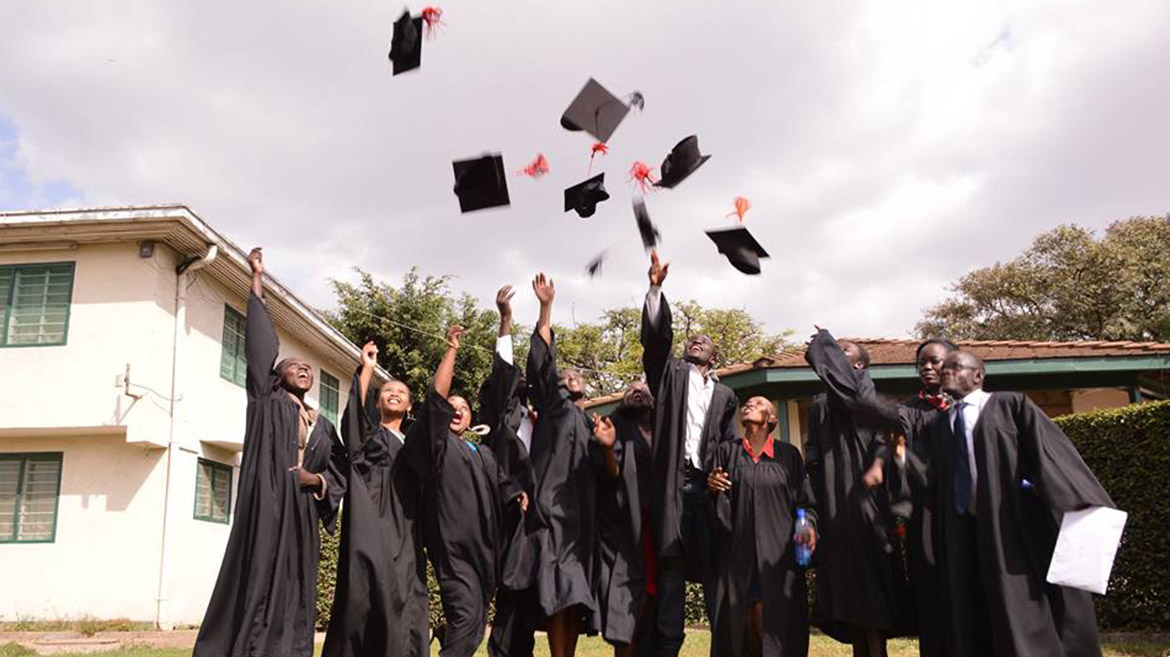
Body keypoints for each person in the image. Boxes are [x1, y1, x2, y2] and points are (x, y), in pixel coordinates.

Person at [900, 349, 1115, 657]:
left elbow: (1052, 459)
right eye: (944, 369)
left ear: (978, 375)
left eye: (955, 367)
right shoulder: (939, 425)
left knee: (1017, 603)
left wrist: (1079, 505)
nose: (946, 372)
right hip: (963, 533)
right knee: (969, 606)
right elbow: (924, 477)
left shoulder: (1010, 406)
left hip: (1009, 527)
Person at [194, 247, 344, 657]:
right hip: (268, 501)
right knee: (259, 571)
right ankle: (247, 647)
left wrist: (319, 482)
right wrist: (256, 279)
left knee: (298, 578)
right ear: (276, 375)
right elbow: (260, 344)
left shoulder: (323, 423)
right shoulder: (266, 400)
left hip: (300, 511)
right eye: (294, 365)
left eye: (309, 369)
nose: (304, 369)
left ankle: (289, 649)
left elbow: (340, 472)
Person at [640, 250, 740, 657]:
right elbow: (656, 342)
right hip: (673, 487)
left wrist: (721, 474)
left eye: (705, 341)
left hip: (708, 490)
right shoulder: (670, 376)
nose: (696, 340)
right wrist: (655, 288)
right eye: (691, 339)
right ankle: (667, 648)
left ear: (714, 356)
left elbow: (731, 444)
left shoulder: (726, 395)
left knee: (716, 570)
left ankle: (725, 647)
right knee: (672, 571)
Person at [412, 325, 530, 657]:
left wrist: (517, 494)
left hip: (485, 554)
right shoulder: (438, 445)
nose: (457, 410)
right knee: (466, 618)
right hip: (453, 547)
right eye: (451, 406)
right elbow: (435, 400)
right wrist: (452, 350)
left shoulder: (483, 453)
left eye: (463, 407)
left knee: (474, 625)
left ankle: (445, 635)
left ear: (470, 417)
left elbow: (503, 485)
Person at [804, 328, 911, 657]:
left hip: (869, 506)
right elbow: (814, 458)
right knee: (849, 595)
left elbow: (845, 389)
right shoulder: (821, 404)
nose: (837, 352)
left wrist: (825, 343)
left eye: (844, 350)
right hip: (835, 507)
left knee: (872, 590)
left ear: (861, 367)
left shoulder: (865, 393)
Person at [321, 341, 428, 657]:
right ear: (378, 402)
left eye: (401, 392)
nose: (394, 393)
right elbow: (352, 424)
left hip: (407, 534)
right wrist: (367, 369)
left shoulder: (414, 444)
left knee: (407, 600)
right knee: (367, 601)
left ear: (409, 406)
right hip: (372, 531)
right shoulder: (369, 437)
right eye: (387, 391)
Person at [861, 338, 956, 657]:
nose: (927, 367)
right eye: (922, 363)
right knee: (932, 592)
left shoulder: (967, 408)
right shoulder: (905, 411)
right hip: (926, 515)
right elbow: (888, 444)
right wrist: (878, 465)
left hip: (965, 510)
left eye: (935, 361)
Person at [707, 396, 818, 657]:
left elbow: (805, 503)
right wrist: (712, 488)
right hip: (738, 555)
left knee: (773, 622)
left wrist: (808, 525)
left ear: (771, 419)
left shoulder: (788, 454)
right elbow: (716, 506)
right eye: (747, 404)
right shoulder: (726, 452)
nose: (748, 405)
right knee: (741, 624)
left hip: (779, 557)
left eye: (757, 404)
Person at [526, 273, 599, 657]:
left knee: (574, 595)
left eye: (576, 374)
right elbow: (542, 361)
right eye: (564, 374)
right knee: (559, 589)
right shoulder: (555, 408)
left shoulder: (591, 424)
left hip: (582, 519)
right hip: (553, 514)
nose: (568, 375)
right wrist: (545, 307)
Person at [485, 285, 544, 657]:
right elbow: (503, 370)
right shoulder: (504, 421)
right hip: (511, 516)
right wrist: (506, 320)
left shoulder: (548, 423)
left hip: (543, 521)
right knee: (511, 592)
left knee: (533, 600)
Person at [591, 382, 657, 657]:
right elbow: (611, 473)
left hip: (658, 527)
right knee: (626, 606)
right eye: (630, 389)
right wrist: (607, 448)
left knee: (652, 603)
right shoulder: (615, 425)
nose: (637, 390)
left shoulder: (662, 426)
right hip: (624, 531)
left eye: (643, 387)